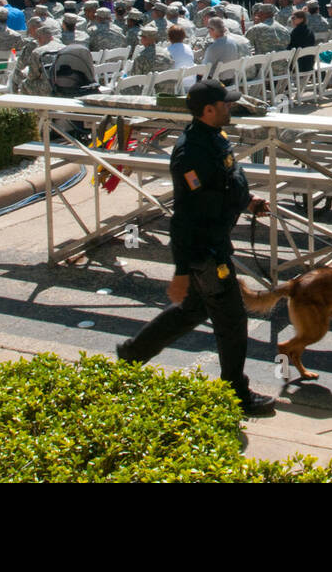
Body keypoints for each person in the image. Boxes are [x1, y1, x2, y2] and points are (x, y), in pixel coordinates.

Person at [116, 81, 276, 416]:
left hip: (211, 242)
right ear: (208, 110)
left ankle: (132, 353)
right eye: (225, 104)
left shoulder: (214, 138)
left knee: (192, 311)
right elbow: (195, 208)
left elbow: (229, 182)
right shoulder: (191, 152)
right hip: (205, 247)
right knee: (232, 320)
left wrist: (249, 202)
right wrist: (185, 267)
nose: (230, 108)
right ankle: (236, 395)